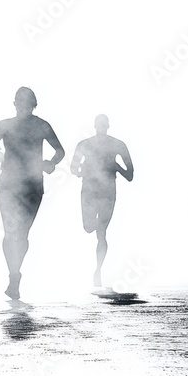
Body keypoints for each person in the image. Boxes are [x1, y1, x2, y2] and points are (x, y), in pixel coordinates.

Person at [0, 87, 64, 301]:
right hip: (8, 184)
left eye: (27, 102)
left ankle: (15, 274)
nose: (23, 106)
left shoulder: (42, 126)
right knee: (10, 232)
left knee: (22, 234)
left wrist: (50, 162)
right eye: (19, 102)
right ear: (14, 104)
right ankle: (13, 275)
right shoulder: (5, 125)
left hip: (32, 185)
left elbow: (60, 151)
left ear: (33, 104)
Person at [70, 115, 134, 289]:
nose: (101, 128)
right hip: (89, 191)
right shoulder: (84, 145)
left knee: (101, 232)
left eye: (103, 125)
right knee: (88, 227)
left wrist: (115, 166)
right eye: (99, 125)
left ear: (108, 126)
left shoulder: (118, 145)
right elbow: (73, 168)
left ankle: (98, 270)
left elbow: (130, 175)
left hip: (108, 192)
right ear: (94, 126)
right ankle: (97, 267)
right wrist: (82, 170)